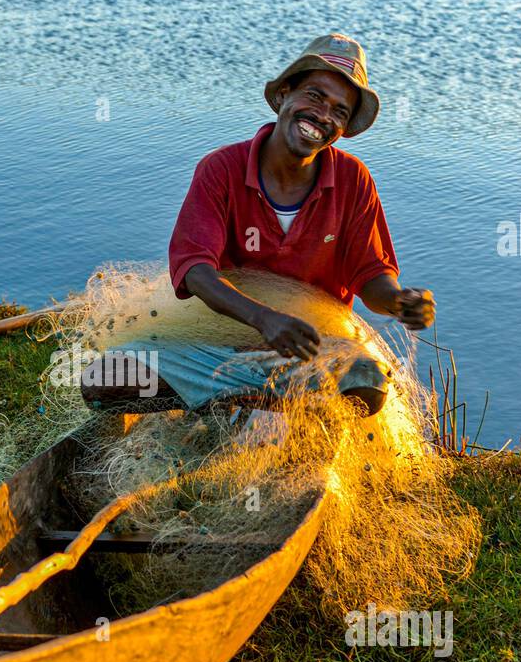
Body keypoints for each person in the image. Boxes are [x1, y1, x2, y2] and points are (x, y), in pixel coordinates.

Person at [82, 33, 434, 415]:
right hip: (216, 349)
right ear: (283, 95)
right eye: (314, 96)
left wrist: (399, 302)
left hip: (309, 353)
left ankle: (251, 404)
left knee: (367, 382)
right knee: (104, 380)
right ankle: (250, 400)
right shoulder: (221, 169)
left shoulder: (353, 181)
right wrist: (263, 319)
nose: (322, 115)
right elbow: (195, 270)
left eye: (339, 111)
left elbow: (370, 276)